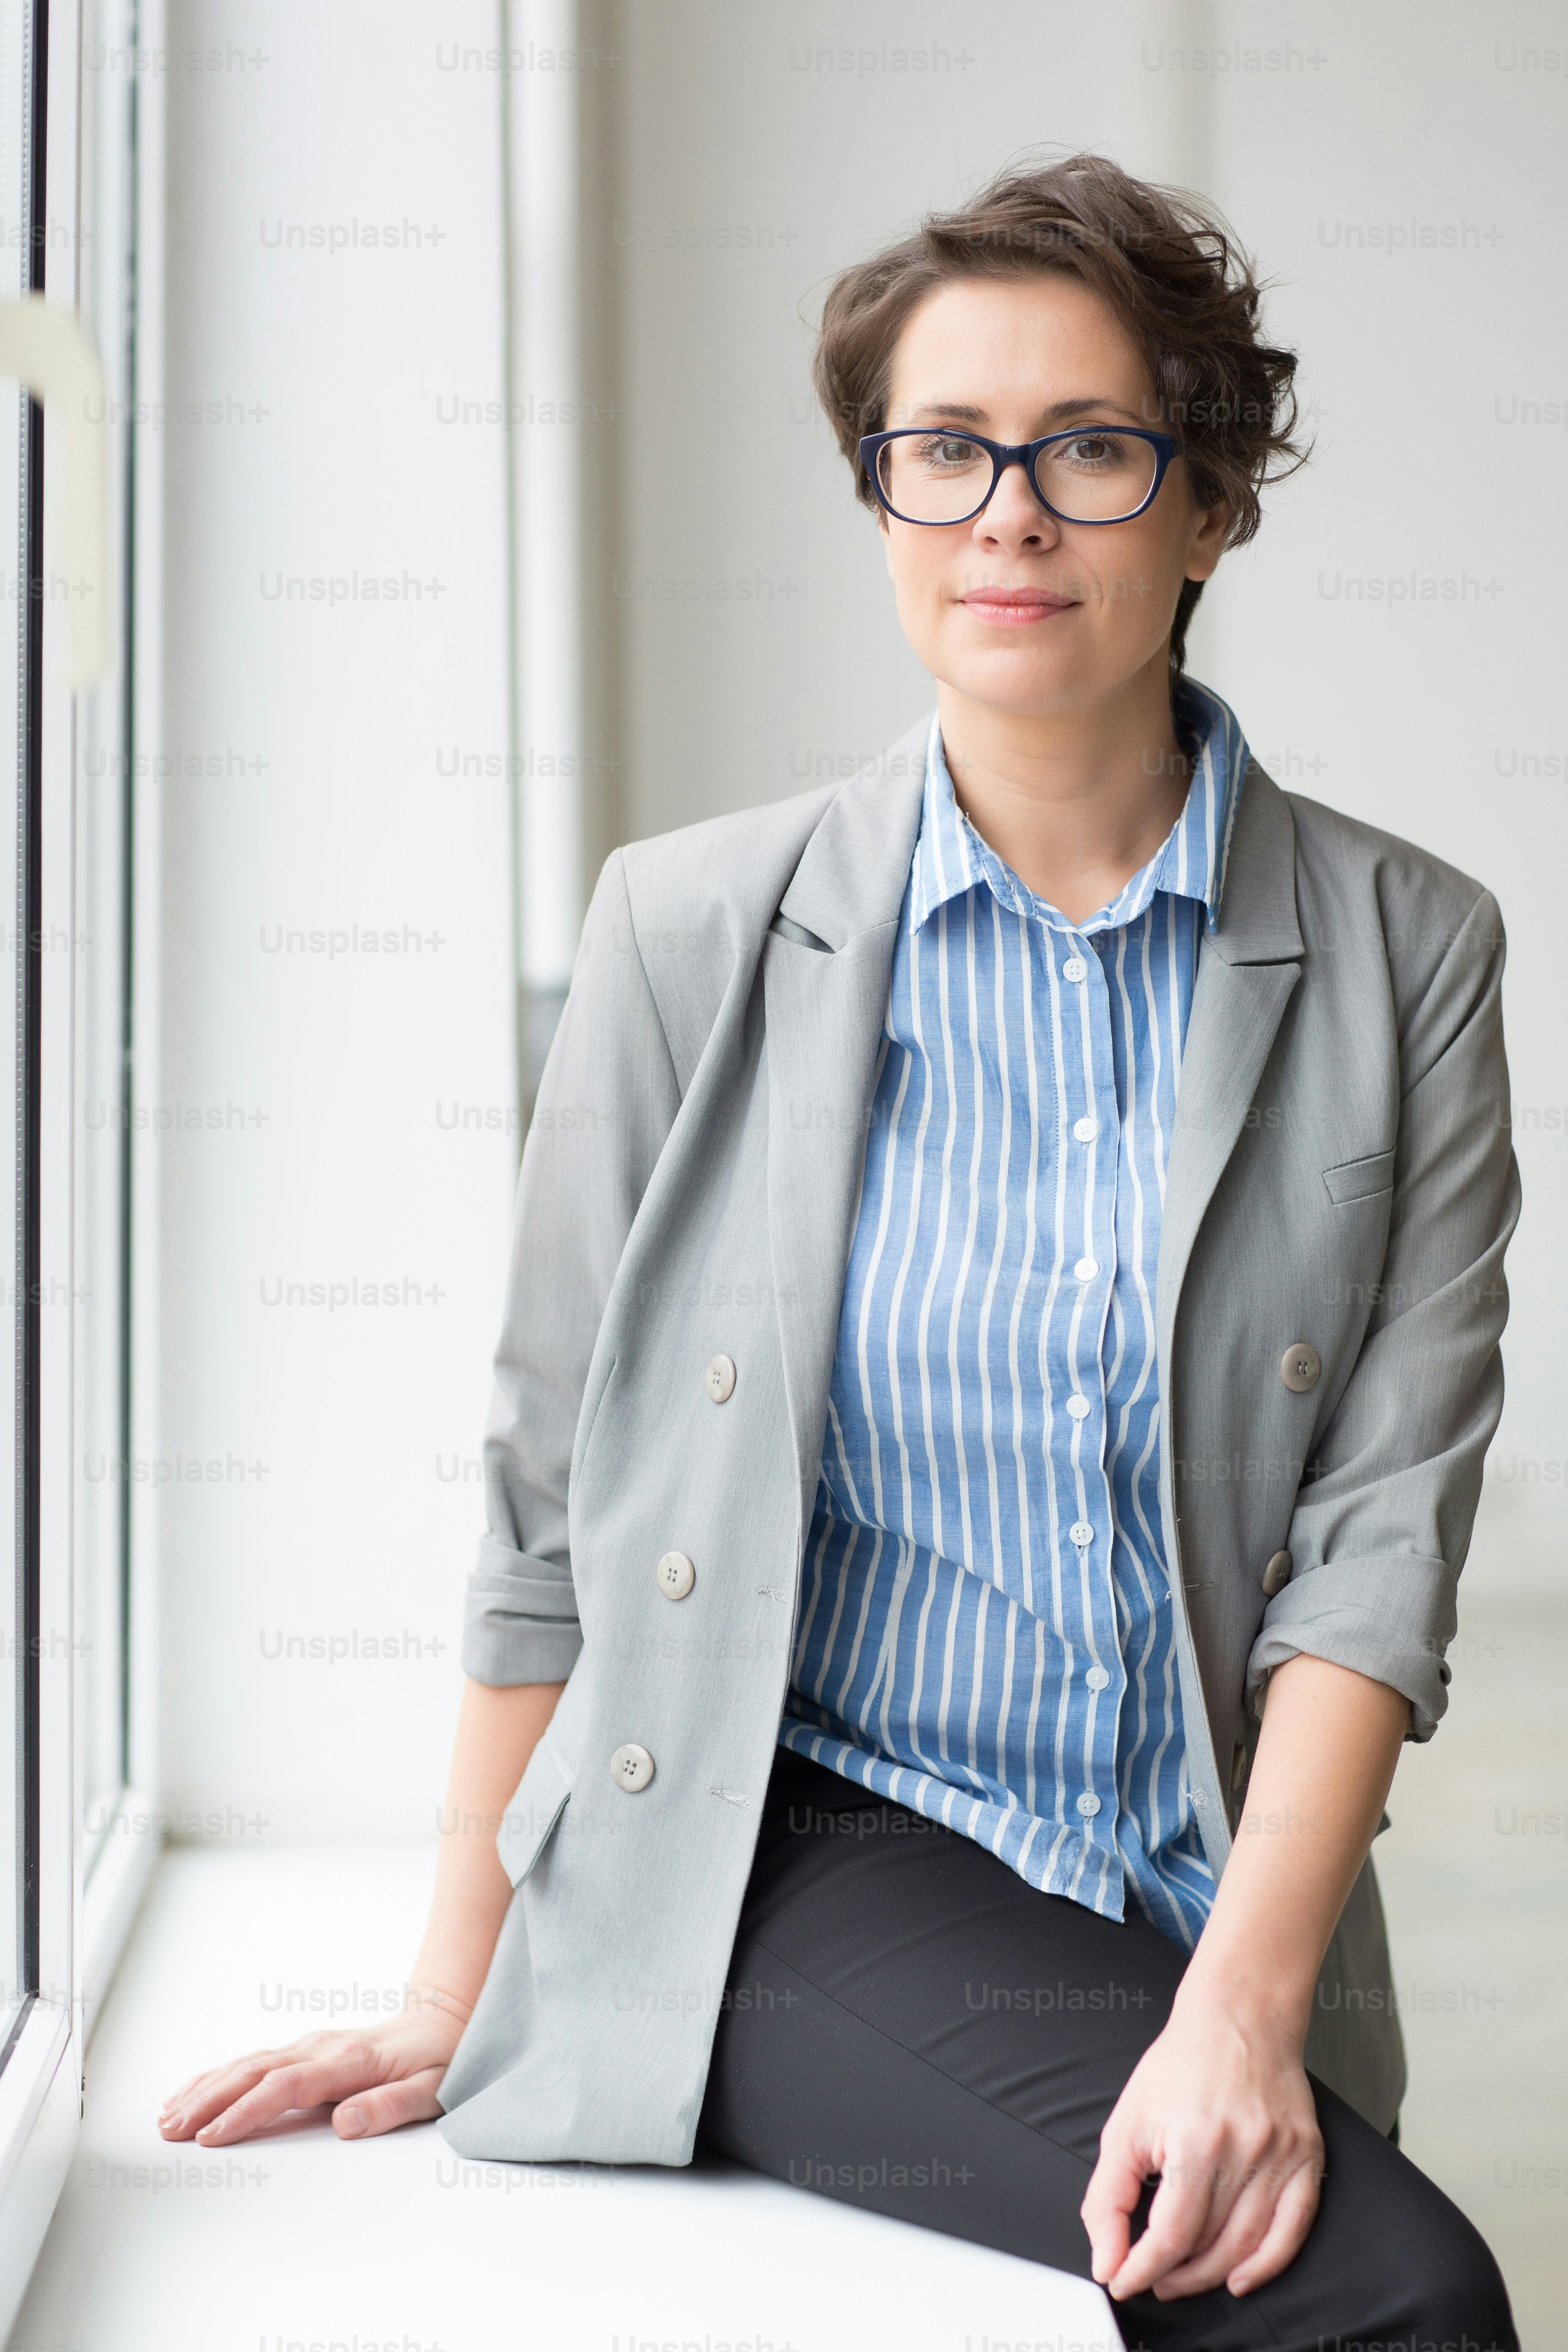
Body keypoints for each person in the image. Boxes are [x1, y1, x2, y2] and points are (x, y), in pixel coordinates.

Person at [158, 154, 1521, 2351]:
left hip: (1191, 1872)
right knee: (1393, 2297)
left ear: (1212, 502)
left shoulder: (1406, 948)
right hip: (794, 1848)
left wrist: (1247, 2013)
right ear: (880, 500)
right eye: (943, 452)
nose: (1010, 514)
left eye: (1090, 448)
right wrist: (455, 1973)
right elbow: (547, 1490)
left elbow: (1379, 1548)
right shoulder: (692, 930)